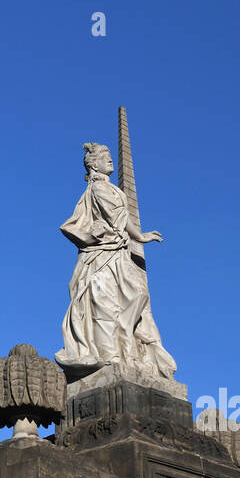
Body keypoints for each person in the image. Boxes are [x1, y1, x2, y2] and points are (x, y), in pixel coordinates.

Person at [55, 142, 177, 380]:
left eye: (110, 156)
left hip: (117, 254)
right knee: (105, 305)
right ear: (93, 164)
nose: (110, 160)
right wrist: (101, 232)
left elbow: (123, 218)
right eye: (105, 156)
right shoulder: (97, 190)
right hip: (101, 258)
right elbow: (113, 219)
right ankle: (111, 357)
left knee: (137, 295)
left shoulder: (115, 191)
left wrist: (140, 236)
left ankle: (126, 348)